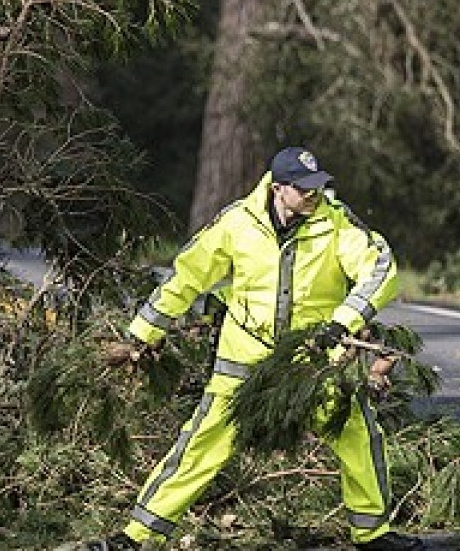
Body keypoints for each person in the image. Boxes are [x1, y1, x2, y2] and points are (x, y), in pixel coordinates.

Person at [85, 147, 422, 551]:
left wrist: (342, 322)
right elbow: (186, 277)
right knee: (200, 446)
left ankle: (373, 535)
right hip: (243, 360)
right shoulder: (237, 223)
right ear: (278, 188)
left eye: (317, 187)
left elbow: (379, 269)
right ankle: (136, 537)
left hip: (313, 359)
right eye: (304, 189)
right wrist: (143, 332)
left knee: (357, 435)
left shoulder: (336, 222)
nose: (313, 195)